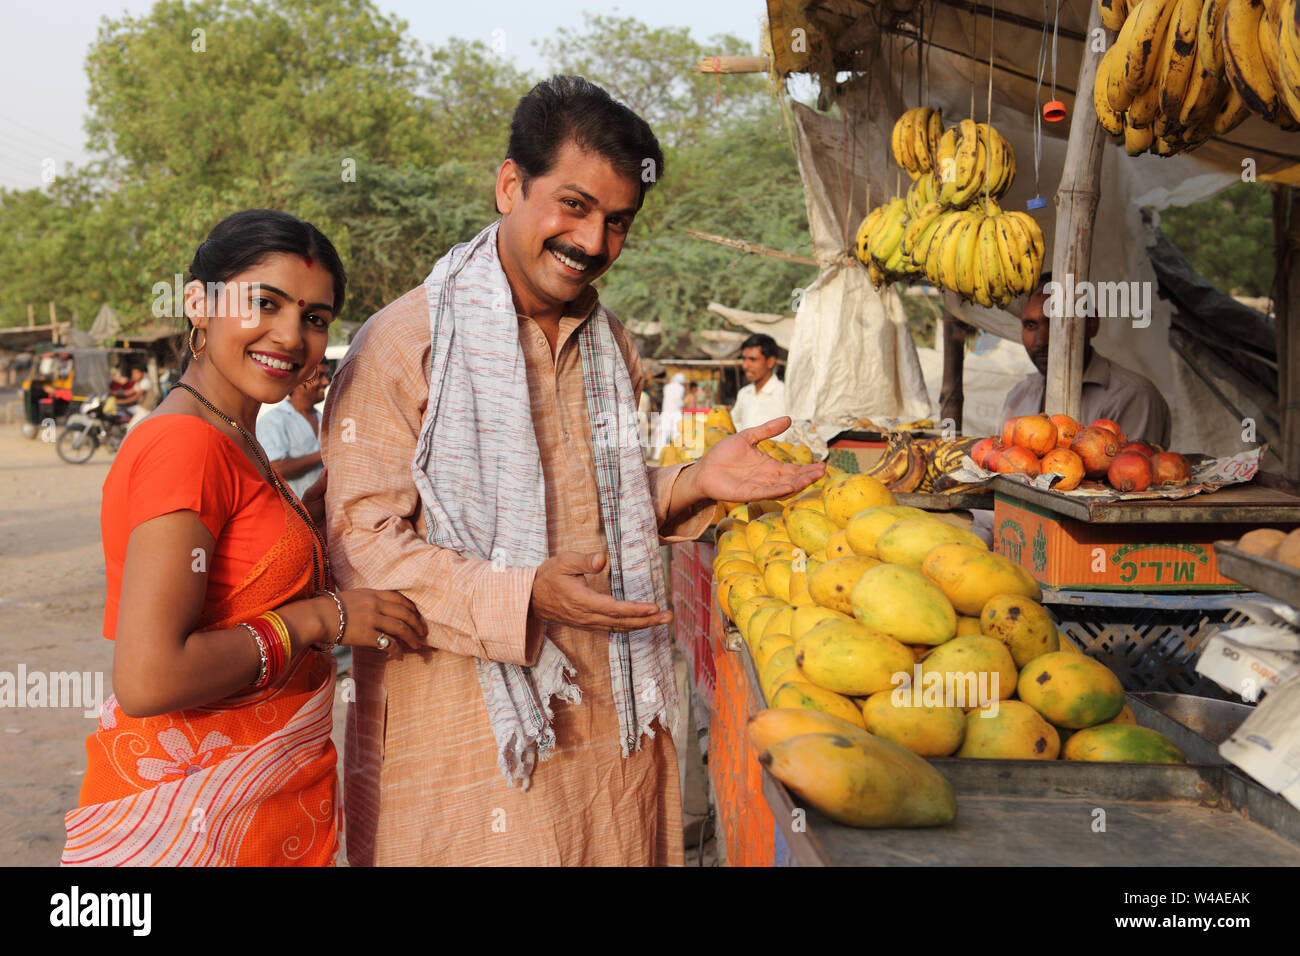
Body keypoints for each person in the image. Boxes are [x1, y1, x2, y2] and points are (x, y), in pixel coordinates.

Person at [321, 75, 823, 867]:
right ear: (510, 185)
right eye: (574, 205)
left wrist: (696, 481)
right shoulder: (406, 342)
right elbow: (361, 546)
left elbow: (597, 502)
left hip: (607, 737)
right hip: (468, 741)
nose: (592, 241)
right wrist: (521, 595)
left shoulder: (608, 343)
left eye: (618, 221)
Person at [62, 209, 423, 866]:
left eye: (315, 317)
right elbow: (149, 676)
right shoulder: (187, 445)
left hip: (253, 820)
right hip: (193, 824)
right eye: (265, 303)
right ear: (198, 304)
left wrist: (307, 528)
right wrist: (321, 617)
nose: (290, 336)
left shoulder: (235, 439)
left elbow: (236, 583)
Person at [1001, 274, 1171, 446]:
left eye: (1055, 322)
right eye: (1030, 325)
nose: (1041, 340)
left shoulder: (1134, 397)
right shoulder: (1018, 397)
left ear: (1091, 324)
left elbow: (1132, 462)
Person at [257, 361, 329, 498]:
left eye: (326, 376)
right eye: (320, 376)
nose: (326, 382)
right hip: (293, 510)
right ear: (299, 381)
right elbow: (275, 468)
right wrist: (326, 452)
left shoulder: (324, 419)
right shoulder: (273, 421)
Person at [732, 333, 790, 440]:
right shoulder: (744, 393)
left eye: (752, 359)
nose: (745, 366)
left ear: (770, 362)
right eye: (744, 359)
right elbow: (735, 423)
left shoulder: (785, 394)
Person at [117, 363, 157, 433]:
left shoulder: (145, 382)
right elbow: (129, 392)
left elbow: (135, 397)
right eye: (133, 373)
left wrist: (119, 402)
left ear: (142, 373)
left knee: (131, 428)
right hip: (140, 406)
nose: (133, 376)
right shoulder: (140, 382)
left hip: (146, 409)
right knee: (123, 412)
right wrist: (114, 393)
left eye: (135, 373)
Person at [654, 371, 686, 455]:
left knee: (662, 434)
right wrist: (683, 404)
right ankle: (677, 453)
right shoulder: (680, 388)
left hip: (666, 413)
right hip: (675, 413)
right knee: (676, 433)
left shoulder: (667, 387)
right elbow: (678, 400)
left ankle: (658, 454)